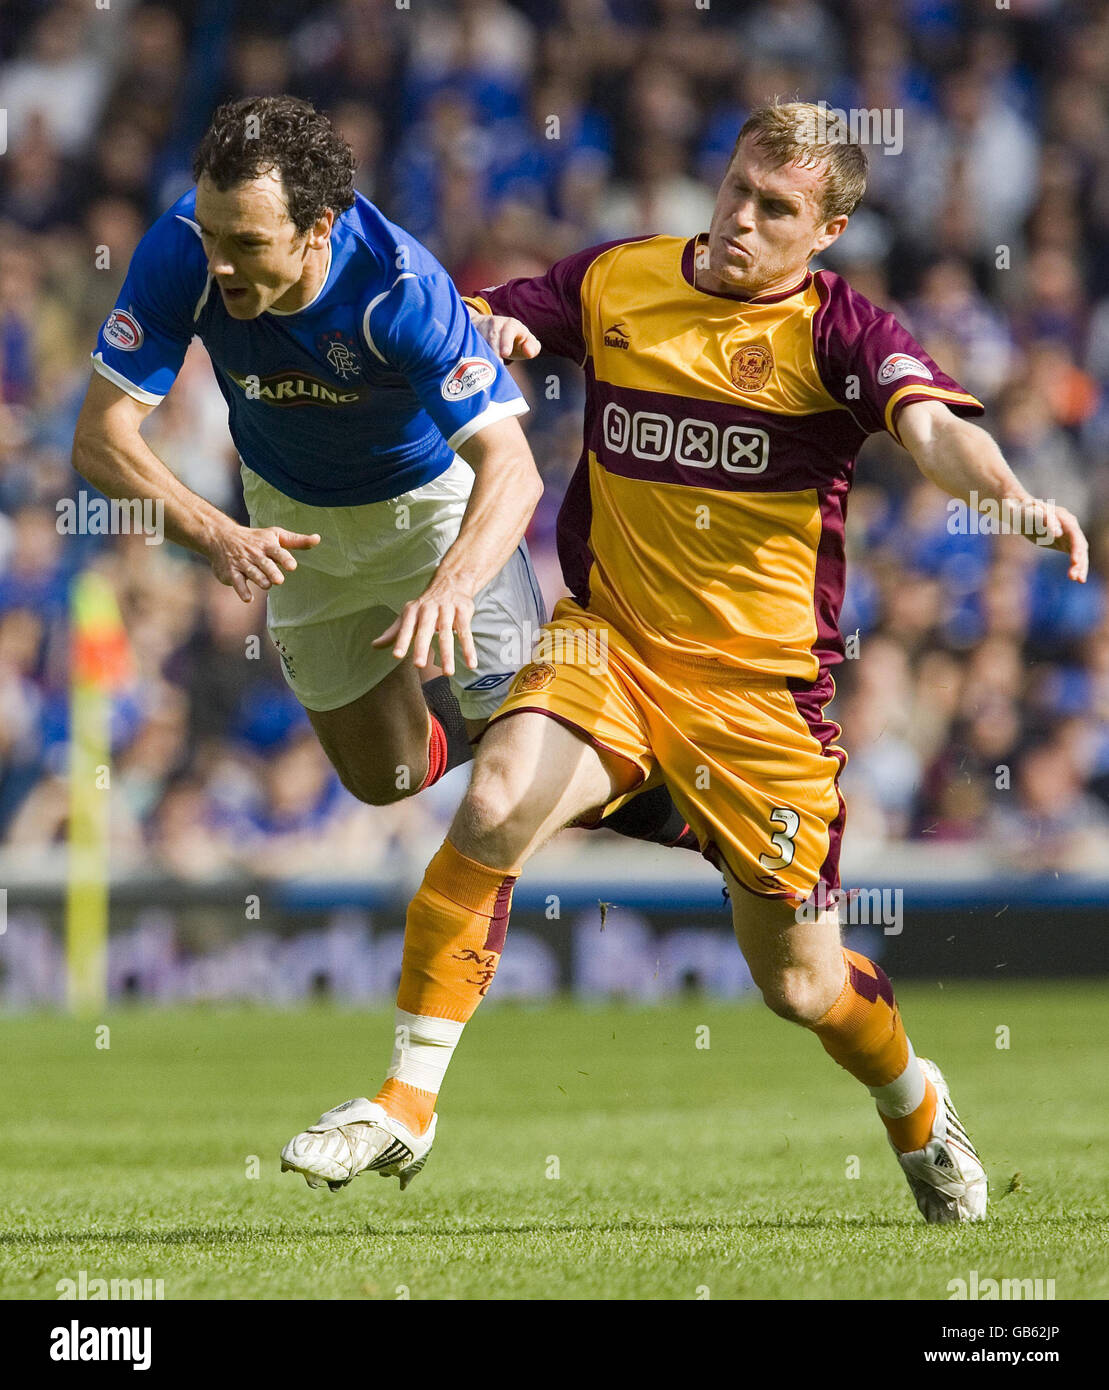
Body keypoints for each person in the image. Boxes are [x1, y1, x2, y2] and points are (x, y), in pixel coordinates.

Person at [280, 102, 1088, 1222]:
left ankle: (911, 1098)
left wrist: (1006, 496)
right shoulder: (619, 278)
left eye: (775, 210)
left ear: (827, 232)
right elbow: (465, 325)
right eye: (735, 190)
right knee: (496, 799)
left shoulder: (836, 333)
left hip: (759, 705)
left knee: (801, 986)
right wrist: (486, 333)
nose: (739, 222)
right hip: (608, 644)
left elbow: (932, 427)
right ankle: (406, 1100)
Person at [72, 94, 694, 844]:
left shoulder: (401, 289)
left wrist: (452, 587)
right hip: (289, 520)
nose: (219, 261)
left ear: (318, 231)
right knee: (383, 777)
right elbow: (99, 438)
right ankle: (543, 702)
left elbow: (513, 468)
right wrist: (218, 534)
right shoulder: (183, 251)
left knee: (520, 781)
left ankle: (683, 801)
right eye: (208, 234)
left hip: (432, 510)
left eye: (245, 241)